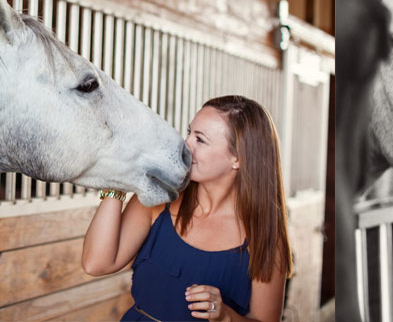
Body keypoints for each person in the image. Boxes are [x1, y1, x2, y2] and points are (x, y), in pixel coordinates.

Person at [81, 95, 293, 321]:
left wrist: (226, 316)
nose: (186, 144)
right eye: (189, 132)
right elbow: (96, 263)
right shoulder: (160, 200)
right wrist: (117, 179)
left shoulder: (265, 238)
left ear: (237, 158)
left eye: (200, 140)